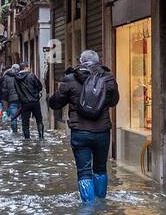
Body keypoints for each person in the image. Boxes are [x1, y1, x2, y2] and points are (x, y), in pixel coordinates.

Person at [47, 49, 118, 202]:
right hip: (102, 131)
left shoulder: (70, 79)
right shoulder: (108, 78)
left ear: (81, 61)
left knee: (84, 172)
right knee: (100, 169)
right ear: (98, 61)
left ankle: (88, 211)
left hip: (80, 132)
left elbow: (55, 103)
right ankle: (101, 206)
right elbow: (114, 101)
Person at [12, 62, 45, 138]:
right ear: (26, 67)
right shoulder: (31, 75)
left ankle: (27, 140)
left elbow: (17, 90)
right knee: (39, 120)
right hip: (35, 102)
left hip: (24, 103)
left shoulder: (16, 78)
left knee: (25, 122)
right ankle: (41, 137)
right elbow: (39, 86)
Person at [0, 64, 20, 133]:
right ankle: (25, 133)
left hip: (11, 100)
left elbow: (3, 89)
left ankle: (15, 132)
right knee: (24, 117)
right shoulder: (20, 76)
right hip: (21, 99)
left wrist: (4, 99)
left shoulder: (5, 77)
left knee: (13, 117)